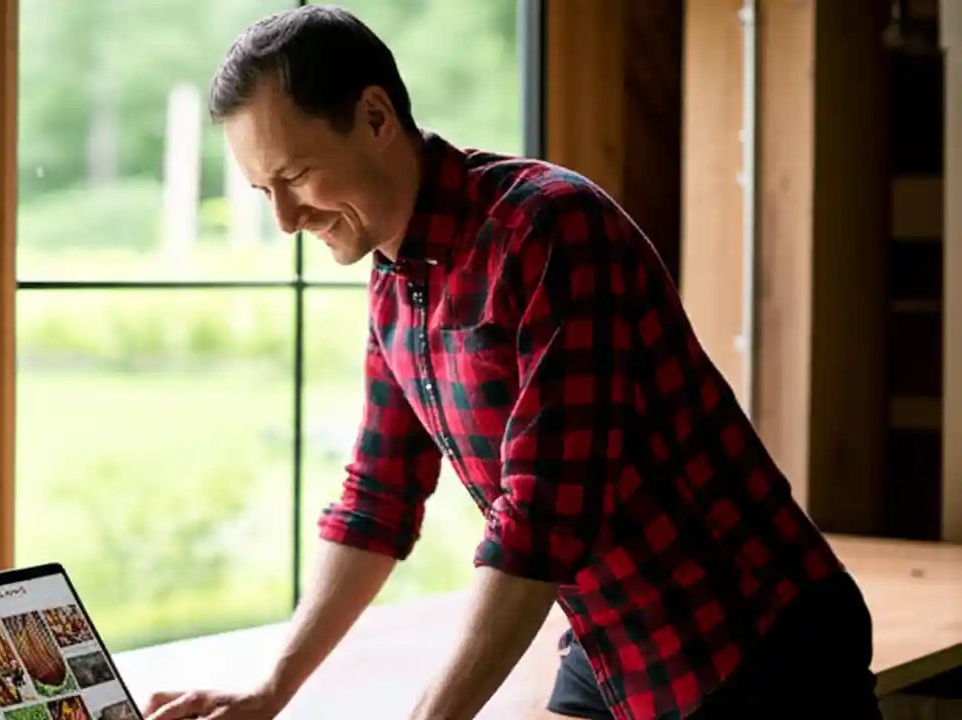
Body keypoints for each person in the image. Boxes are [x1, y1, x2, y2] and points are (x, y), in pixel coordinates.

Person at [144, 6, 882, 720]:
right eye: (261, 190)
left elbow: (538, 522)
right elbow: (378, 496)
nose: (284, 219)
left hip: (753, 642)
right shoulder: (397, 279)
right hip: (607, 647)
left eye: (297, 174)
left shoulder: (550, 230)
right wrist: (272, 690)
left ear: (375, 118)